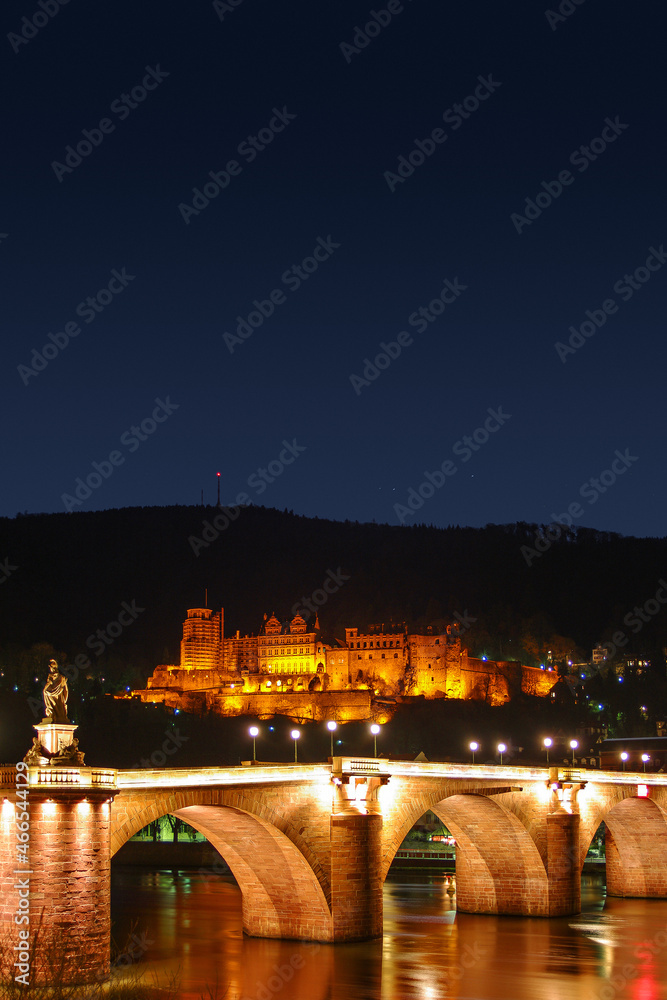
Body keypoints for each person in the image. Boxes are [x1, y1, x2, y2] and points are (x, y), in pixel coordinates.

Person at [43, 659, 69, 723]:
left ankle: (52, 712)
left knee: (45, 692)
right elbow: (66, 690)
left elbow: (48, 684)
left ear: (52, 668)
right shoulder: (62, 677)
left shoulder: (51, 676)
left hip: (53, 695)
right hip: (59, 696)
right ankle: (55, 712)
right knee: (47, 693)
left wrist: (44, 689)